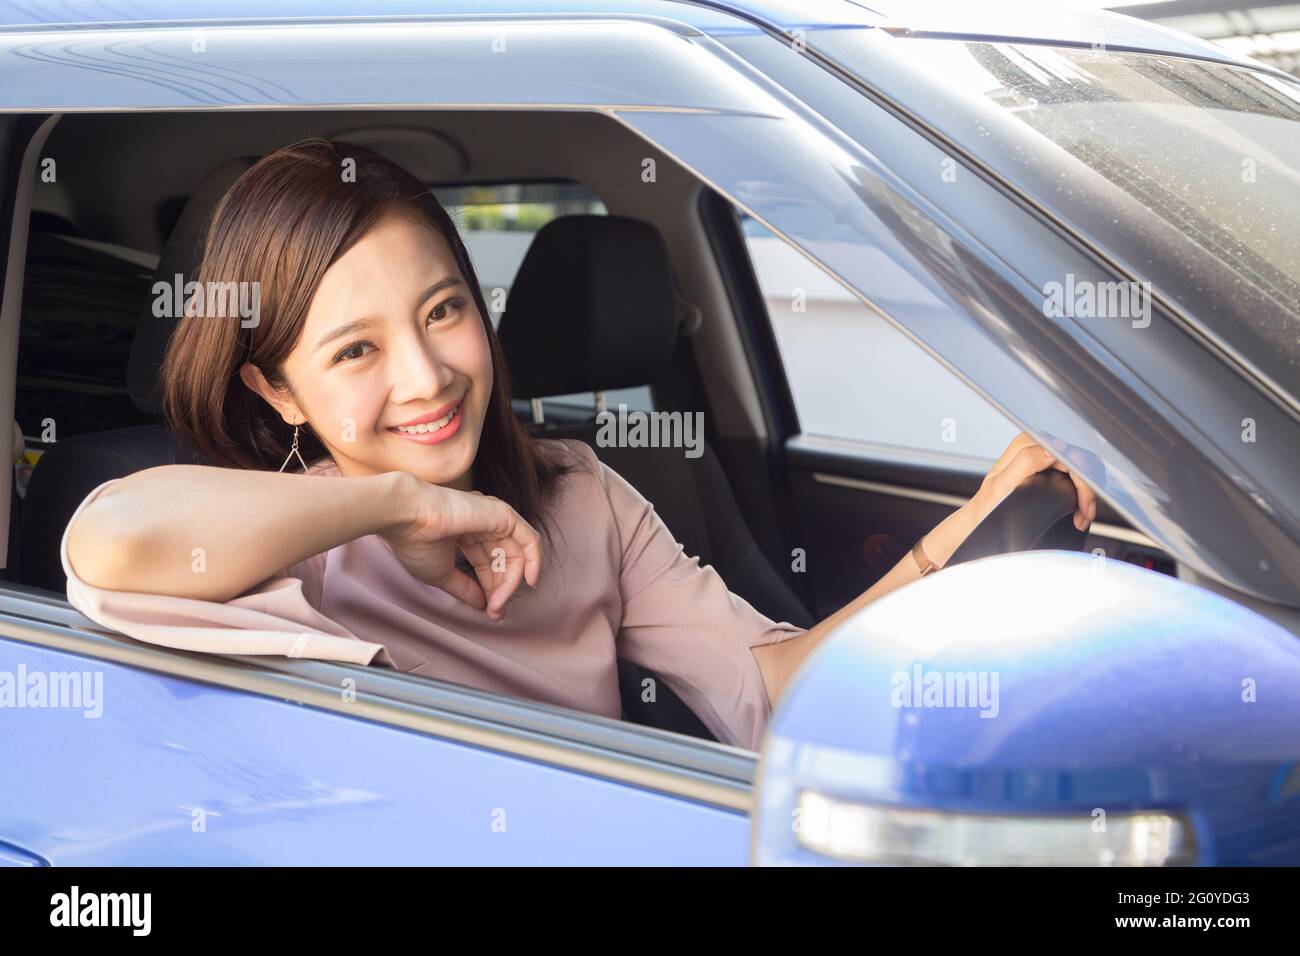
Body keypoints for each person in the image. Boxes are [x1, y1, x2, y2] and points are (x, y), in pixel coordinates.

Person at [62, 138, 1096, 751]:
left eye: (443, 310)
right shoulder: (270, 546)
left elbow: (771, 686)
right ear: (275, 390)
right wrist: (403, 502)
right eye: (354, 350)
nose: (426, 377)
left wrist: (967, 527)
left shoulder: (582, 492)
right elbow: (108, 538)